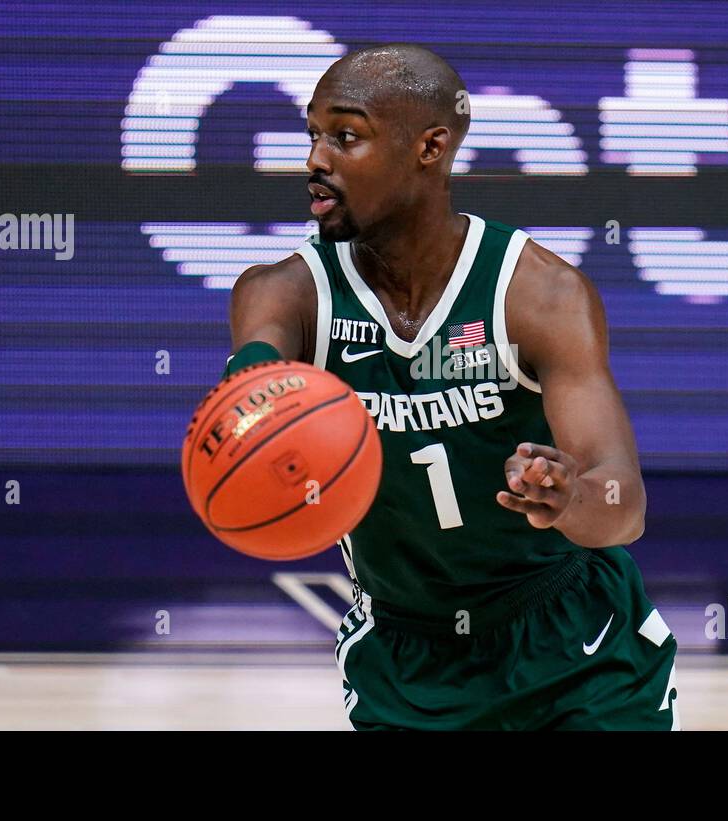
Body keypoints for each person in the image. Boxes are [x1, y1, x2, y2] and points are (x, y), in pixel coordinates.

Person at [224, 43, 679, 730]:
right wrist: (246, 408)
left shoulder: (538, 293)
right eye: (313, 134)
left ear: (430, 147)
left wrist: (569, 494)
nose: (316, 159)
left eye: (345, 136)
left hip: (573, 649)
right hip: (406, 657)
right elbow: (251, 380)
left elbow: (625, 504)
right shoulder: (287, 294)